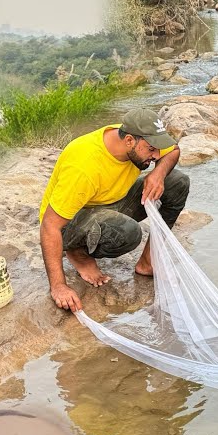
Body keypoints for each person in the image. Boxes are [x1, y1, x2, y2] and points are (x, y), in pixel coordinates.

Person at [39, 108, 190, 312]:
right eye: (151, 150)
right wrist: (58, 286)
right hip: (71, 221)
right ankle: (78, 252)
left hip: (110, 201)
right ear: (129, 141)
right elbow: (50, 225)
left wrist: (158, 174)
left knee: (178, 182)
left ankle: (147, 263)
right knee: (128, 233)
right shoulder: (84, 167)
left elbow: (173, 150)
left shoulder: (138, 137)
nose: (155, 156)